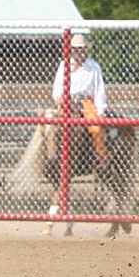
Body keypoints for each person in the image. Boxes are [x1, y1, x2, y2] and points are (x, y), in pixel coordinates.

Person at [44, 33, 109, 233]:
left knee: (96, 127)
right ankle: (48, 156)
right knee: (47, 123)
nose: (78, 51)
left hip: (85, 102)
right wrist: (60, 99)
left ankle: (100, 157)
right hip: (67, 103)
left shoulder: (94, 67)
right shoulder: (64, 66)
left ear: (85, 49)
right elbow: (56, 89)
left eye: (81, 48)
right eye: (74, 48)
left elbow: (99, 90)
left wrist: (100, 110)